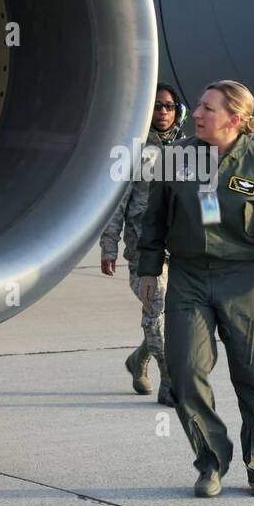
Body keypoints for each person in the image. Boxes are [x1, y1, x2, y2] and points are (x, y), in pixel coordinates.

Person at [136, 80, 254, 498]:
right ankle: (211, 462)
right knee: (186, 373)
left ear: (234, 119)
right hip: (188, 278)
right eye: (198, 106)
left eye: (208, 108)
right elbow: (154, 219)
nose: (197, 114)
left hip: (243, 281)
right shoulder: (177, 157)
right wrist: (148, 267)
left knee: (252, 377)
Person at [101, 83, 187, 405]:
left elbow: (204, 200)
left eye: (169, 106)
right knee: (156, 309)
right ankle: (169, 379)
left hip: (178, 251)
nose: (163, 112)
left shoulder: (189, 150)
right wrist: (109, 247)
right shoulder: (131, 151)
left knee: (164, 315)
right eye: (156, 106)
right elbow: (115, 203)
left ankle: (139, 359)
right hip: (142, 252)